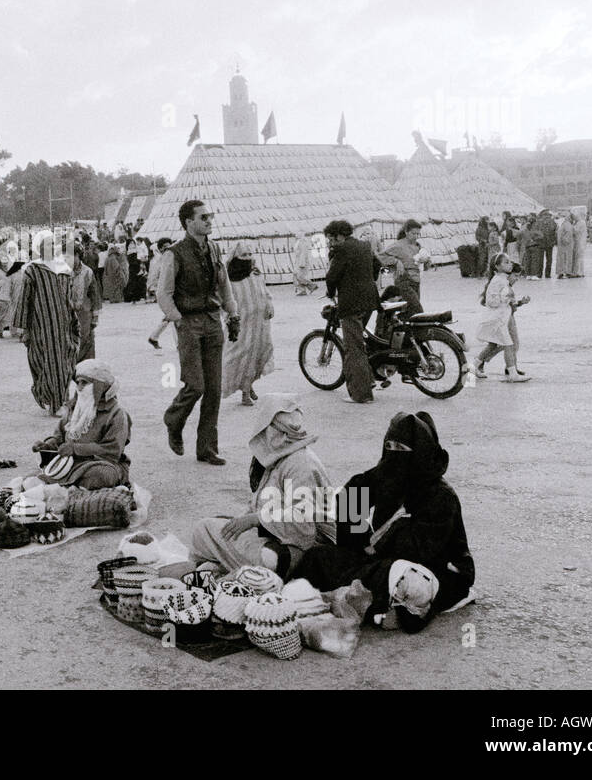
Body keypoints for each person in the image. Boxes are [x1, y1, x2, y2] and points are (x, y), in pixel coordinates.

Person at [294, 411, 475, 632]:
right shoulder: (387, 474)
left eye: (402, 449)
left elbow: (420, 551)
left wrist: (379, 542)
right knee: (318, 557)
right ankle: (362, 601)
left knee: (394, 574)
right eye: (390, 447)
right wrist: (359, 542)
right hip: (380, 559)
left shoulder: (440, 495)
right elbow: (352, 494)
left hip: (436, 570)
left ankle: (375, 604)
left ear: (420, 452)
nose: (394, 455)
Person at [181, 395, 333, 578]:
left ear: (277, 433)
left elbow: (304, 531)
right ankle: (226, 567)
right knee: (215, 529)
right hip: (278, 537)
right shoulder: (284, 456)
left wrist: (257, 519)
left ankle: (232, 569)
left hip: (302, 551)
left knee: (204, 530)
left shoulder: (301, 465)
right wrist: (247, 520)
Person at [158, 200, 241, 465]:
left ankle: (207, 448)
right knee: (195, 385)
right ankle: (174, 419)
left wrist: (234, 314)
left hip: (213, 321)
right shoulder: (174, 253)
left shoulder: (215, 249)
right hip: (189, 323)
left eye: (210, 216)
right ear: (188, 222)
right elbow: (164, 293)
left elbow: (224, 286)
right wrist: (178, 320)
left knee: (214, 389)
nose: (209, 220)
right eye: (203, 217)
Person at [32, 358, 131, 489]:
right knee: (33, 478)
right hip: (70, 462)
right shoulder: (75, 407)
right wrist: (48, 445)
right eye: (77, 382)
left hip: (101, 463)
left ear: (100, 386)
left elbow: (112, 450)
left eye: (84, 383)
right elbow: (60, 436)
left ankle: (70, 489)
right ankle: (70, 488)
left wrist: (75, 449)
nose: (79, 388)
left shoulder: (117, 414)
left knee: (101, 475)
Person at [13, 235, 78, 416]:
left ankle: (60, 398)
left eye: (53, 244)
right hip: (42, 327)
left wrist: (74, 321)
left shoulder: (64, 268)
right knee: (47, 363)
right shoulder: (32, 270)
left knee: (66, 362)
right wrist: (24, 328)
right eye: (47, 244)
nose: (51, 247)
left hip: (64, 326)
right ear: (39, 248)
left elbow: (69, 298)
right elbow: (24, 299)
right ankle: (54, 403)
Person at [324, 219, 382, 404]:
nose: (331, 243)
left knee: (354, 349)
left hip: (351, 304)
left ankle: (361, 394)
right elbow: (377, 265)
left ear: (338, 236)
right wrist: (366, 281)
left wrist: (331, 292)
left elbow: (332, 276)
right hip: (370, 301)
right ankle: (369, 379)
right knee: (360, 343)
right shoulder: (364, 245)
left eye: (331, 239)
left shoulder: (341, 250)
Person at [222, 241, 274, 407]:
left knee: (259, 353)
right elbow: (224, 301)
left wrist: (269, 305)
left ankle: (248, 384)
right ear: (235, 257)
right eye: (243, 255)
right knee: (239, 356)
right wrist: (230, 317)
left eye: (250, 254)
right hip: (241, 323)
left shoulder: (256, 273)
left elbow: (265, 292)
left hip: (260, 322)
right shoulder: (229, 279)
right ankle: (243, 391)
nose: (248, 258)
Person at [473, 253, 530, 382]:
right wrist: (504, 299)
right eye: (506, 262)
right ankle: (512, 373)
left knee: (494, 345)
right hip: (497, 319)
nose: (509, 264)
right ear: (497, 266)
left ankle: (473, 367)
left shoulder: (503, 280)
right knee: (509, 344)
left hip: (500, 319)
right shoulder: (498, 281)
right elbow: (491, 302)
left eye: (509, 262)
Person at [377, 219, 425, 312]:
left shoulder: (418, 246)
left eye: (418, 234)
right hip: (403, 280)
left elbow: (425, 266)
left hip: (416, 280)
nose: (416, 236)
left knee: (410, 310)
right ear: (406, 232)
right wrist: (396, 261)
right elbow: (380, 257)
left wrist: (425, 261)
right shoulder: (398, 245)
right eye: (413, 233)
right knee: (417, 309)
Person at [69, 245, 101, 362]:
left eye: (72, 256)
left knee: (85, 340)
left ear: (78, 255)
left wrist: (95, 316)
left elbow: (94, 295)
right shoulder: (62, 272)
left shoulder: (88, 272)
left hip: (84, 314)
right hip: (67, 314)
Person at [146, 237, 173, 349]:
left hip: (172, 291)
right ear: (161, 249)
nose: (168, 249)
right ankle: (179, 344)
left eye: (169, 246)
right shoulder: (158, 261)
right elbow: (153, 277)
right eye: (165, 247)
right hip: (164, 292)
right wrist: (153, 288)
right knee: (175, 316)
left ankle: (154, 337)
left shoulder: (171, 259)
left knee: (171, 316)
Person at [292, 230, 319, 296]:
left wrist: (302, 263)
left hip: (302, 261)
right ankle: (302, 290)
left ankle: (311, 285)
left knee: (300, 276)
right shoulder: (298, 241)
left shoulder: (302, 242)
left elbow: (303, 253)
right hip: (298, 261)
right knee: (296, 276)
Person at [537, 209, 557, 279]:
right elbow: (555, 232)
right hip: (548, 243)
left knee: (541, 259)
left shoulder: (539, 222)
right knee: (548, 259)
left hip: (543, 243)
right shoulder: (552, 222)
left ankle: (540, 274)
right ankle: (547, 274)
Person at [555, 213, 574, 278]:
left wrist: (563, 240)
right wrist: (565, 240)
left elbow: (566, 233)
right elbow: (568, 233)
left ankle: (562, 272)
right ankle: (565, 272)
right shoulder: (567, 224)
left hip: (563, 245)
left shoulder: (565, 224)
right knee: (566, 258)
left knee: (563, 259)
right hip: (565, 245)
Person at [568, 210, 586, 276]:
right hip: (579, 241)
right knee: (578, 257)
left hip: (579, 242)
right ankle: (579, 272)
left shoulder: (580, 223)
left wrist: (570, 226)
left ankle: (578, 272)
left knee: (578, 257)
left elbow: (575, 231)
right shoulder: (580, 222)